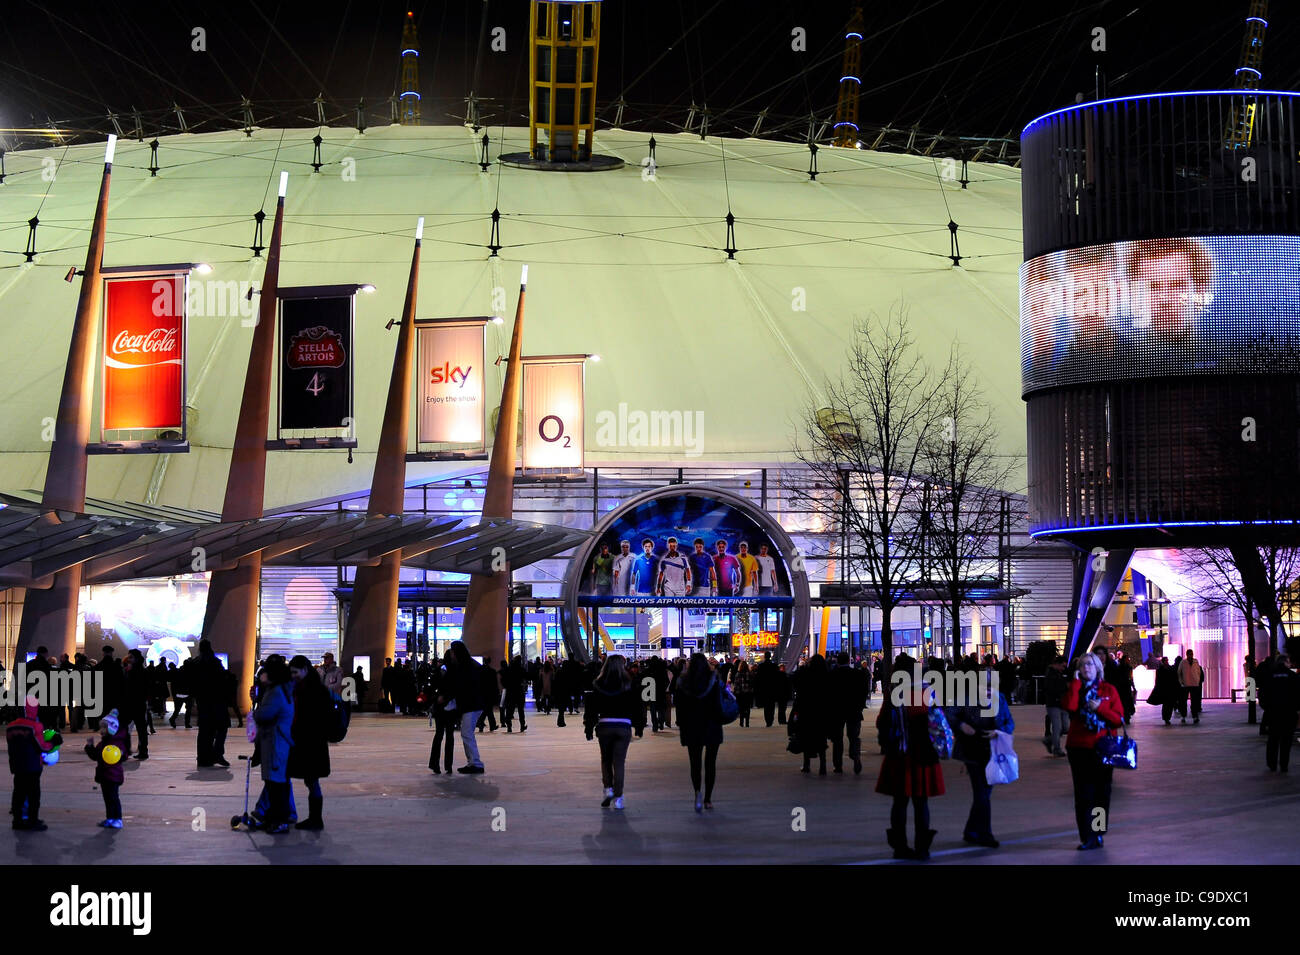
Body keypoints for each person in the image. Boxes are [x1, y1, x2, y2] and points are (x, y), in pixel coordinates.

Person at [875, 676, 944, 861]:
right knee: (921, 803)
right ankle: (922, 848)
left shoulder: (895, 696)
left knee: (899, 802)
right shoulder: (928, 693)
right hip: (924, 755)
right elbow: (939, 722)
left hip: (899, 756)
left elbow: (881, 723)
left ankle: (900, 847)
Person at [1062, 651, 1125, 851]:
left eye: (1090, 664)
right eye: (1082, 665)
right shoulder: (1075, 688)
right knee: (1083, 794)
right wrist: (1075, 684)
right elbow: (1069, 708)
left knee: (1101, 793)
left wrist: (1100, 708)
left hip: (1103, 747)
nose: (1086, 667)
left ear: (1098, 668)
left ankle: (1098, 833)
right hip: (1079, 748)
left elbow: (1118, 718)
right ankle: (1087, 836)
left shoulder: (1108, 689)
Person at [948, 683, 1014, 849]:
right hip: (972, 751)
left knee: (983, 794)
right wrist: (961, 725)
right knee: (982, 793)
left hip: (992, 750)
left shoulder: (1000, 699)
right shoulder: (965, 699)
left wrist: (998, 731)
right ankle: (985, 834)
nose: (988, 691)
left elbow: (1009, 723)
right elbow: (948, 714)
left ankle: (971, 830)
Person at [583, 654, 645, 810]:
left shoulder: (598, 684)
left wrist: (589, 728)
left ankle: (608, 789)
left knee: (605, 760)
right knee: (619, 762)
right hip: (623, 726)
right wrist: (639, 726)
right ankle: (619, 797)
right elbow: (637, 706)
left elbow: (591, 708)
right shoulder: (629, 683)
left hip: (604, 725)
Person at [675, 653, 725, 812]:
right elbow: (719, 702)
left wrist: (681, 726)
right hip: (712, 725)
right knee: (710, 763)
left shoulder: (683, 682)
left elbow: (680, 708)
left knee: (694, 763)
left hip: (692, 727)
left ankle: (697, 792)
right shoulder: (714, 679)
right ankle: (708, 799)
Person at [251, 658, 296, 833]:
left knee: (275, 784)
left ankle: (279, 819)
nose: (263, 674)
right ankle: (273, 817)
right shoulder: (283, 689)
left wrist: (256, 713)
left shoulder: (276, 692)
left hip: (275, 741)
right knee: (278, 783)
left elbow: (266, 714)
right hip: (278, 741)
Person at [287, 655, 331, 830]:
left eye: (295, 672)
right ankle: (314, 818)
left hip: (311, 743)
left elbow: (314, 718)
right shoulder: (304, 687)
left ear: (305, 670)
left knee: (312, 780)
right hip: (308, 742)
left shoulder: (313, 690)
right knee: (311, 780)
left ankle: (315, 818)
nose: (293, 676)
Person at [7, 696, 60, 830]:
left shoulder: (11, 727)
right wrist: (54, 742)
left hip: (17, 766)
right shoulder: (35, 726)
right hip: (32, 766)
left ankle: (17, 820)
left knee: (18, 793)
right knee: (33, 795)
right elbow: (41, 746)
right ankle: (32, 820)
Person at [84, 708, 129, 829]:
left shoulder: (117, 743)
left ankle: (118, 819)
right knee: (107, 798)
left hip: (113, 775)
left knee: (113, 797)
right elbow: (95, 756)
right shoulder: (102, 744)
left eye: (104, 727)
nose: (101, 730)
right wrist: (89, 747)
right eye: (101, 727)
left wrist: (121, 753)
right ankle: (110, 818)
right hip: (104, 775)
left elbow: (124, 755)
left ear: (111, 729)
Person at [447, 641, 486, 774]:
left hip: (472, 705)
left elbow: (463, 688)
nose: (451, 654)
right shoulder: (469, 664)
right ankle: (473, 762)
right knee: (467, 733)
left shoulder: (465, 667)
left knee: (467, 733)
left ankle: (475, 763)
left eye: (452, 651)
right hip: (474, 704)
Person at [792, 654, 832, 775]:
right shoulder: (825, 675)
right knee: (821, 738)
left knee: (806, 736)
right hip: (821, 711)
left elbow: (797, 684)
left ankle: (806, 764)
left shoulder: (805, 674)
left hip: (806, 710)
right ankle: (823, 766)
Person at [829, 651, 868, 774]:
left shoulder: (832, 675)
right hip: (854, 710)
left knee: (837, 739)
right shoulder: (857, 673)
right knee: (854, 736)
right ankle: (855, 755)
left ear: (838, 661)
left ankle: (838, 765)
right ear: (848, 661)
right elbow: (864, 690)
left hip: (837, 711)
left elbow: (828, 694)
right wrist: (861, 705)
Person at [194, 640, 230, 768]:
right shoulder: (215, 663)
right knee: (221, 728)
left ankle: (203, 758)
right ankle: (217, 754)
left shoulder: (196, 663)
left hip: (203, 702)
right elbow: (223, 682)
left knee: (204, 732)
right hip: (217, 702)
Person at [1264, 654, 1299, 772]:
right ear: (1286, 662)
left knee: (1273, 739)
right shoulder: (1292, 676)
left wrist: (1267, 708)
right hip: (1289, 713)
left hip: (1273, 712)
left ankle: (1271, 764)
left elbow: (1263, 694)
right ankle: (1284, 764)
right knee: (1286, 740)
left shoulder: (1269, 676)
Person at [121, 650, 150, 760]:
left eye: (131, 657)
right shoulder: (142, 670)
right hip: (139, 704)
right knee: (141, 729)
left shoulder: (133, 671)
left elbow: (127, 688)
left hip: (132, 703)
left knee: (126, 727)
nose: (129, 659)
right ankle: (143, 751)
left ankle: (126, 750)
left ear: (136, 658)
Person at [1042, 658, 1069, 755]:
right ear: (1057, 664)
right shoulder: (1051, 674)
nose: (1064, 668)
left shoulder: (1058, 673)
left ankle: (1049, 740)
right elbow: (1050, 689)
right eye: (1063, 666)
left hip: (1062, 703)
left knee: (1066, 727)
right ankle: (1056, 748)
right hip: (1053, 704)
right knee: (1057, 727)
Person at [501, 657, 528, 733]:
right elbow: (526, 676)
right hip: (519, 690)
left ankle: (509, 726)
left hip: (510, 691)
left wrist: (506, 686)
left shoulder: (509, 669)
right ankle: (522, 726)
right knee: (520, 710)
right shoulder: (521, 669)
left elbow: (503, 679)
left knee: (509, 709)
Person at [1177, 650, 1204, 724]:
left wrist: (1197, 680)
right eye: (1189, 654)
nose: (1191, 655)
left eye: (1191, 654)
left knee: (1194, 701)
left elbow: (1198, 672)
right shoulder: (1183, 662)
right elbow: (1179, 673)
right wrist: (1181, 682)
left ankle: (1195, 716)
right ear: (1187, 655)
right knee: (1183, 701)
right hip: (1185, 684)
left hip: (1194, 684)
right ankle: (1183, 716)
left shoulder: (1196, 662)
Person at [753, 652, 780, 727]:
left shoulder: (761, 666)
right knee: (771, 705)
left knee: (766, 705)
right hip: (772, 688)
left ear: (764, 657)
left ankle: (767, 720)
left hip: (764, 688)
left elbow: (758, 678)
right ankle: (770, 720)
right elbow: (777, 678)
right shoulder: (774, 666)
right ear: (770, 657)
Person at [476, 657, 500, 733]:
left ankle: (481, 724)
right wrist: (496, 693)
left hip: (481, 692)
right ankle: (489, 725)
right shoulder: (492, 671)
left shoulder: (479, 670)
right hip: (489, 693)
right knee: (488, 710)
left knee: (485, 710)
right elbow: (494, 684)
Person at [732, 660, 754, 728]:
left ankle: (741, 722)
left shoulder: (738, 674)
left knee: (741, 707)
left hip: (740, 693)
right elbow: (752, 683)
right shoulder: (750, 673)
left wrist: (735, 692)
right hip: (748, 693)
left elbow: (736, 684)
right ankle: (747, 722)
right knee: (747, 707)